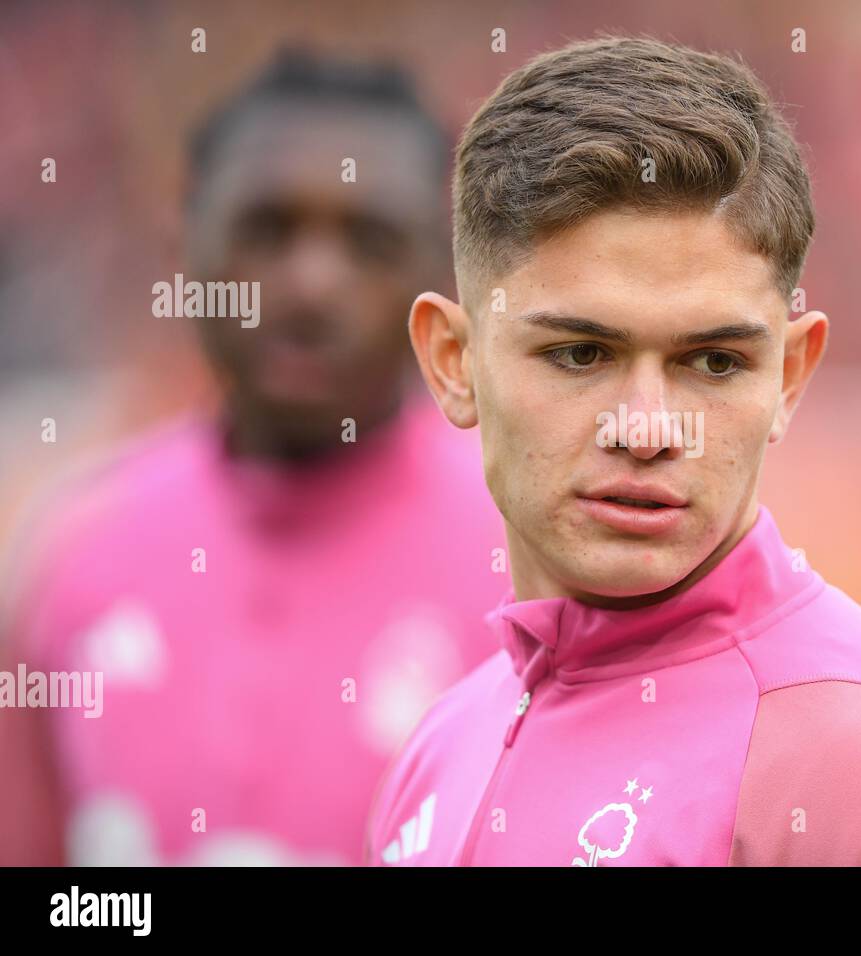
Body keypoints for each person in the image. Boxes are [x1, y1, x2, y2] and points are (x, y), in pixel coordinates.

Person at [364, 35, 861, 866]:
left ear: (789, 377)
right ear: (453, 362)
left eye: (714, 363)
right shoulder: (442, 747)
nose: (649, 429)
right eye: (581, 354)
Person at [0, 50, 505, 865]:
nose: (311, 286)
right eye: (266, 229)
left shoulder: (525, 566)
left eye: (370, 241)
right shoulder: (77, 549)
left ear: (446, 277)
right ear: (184, 243)